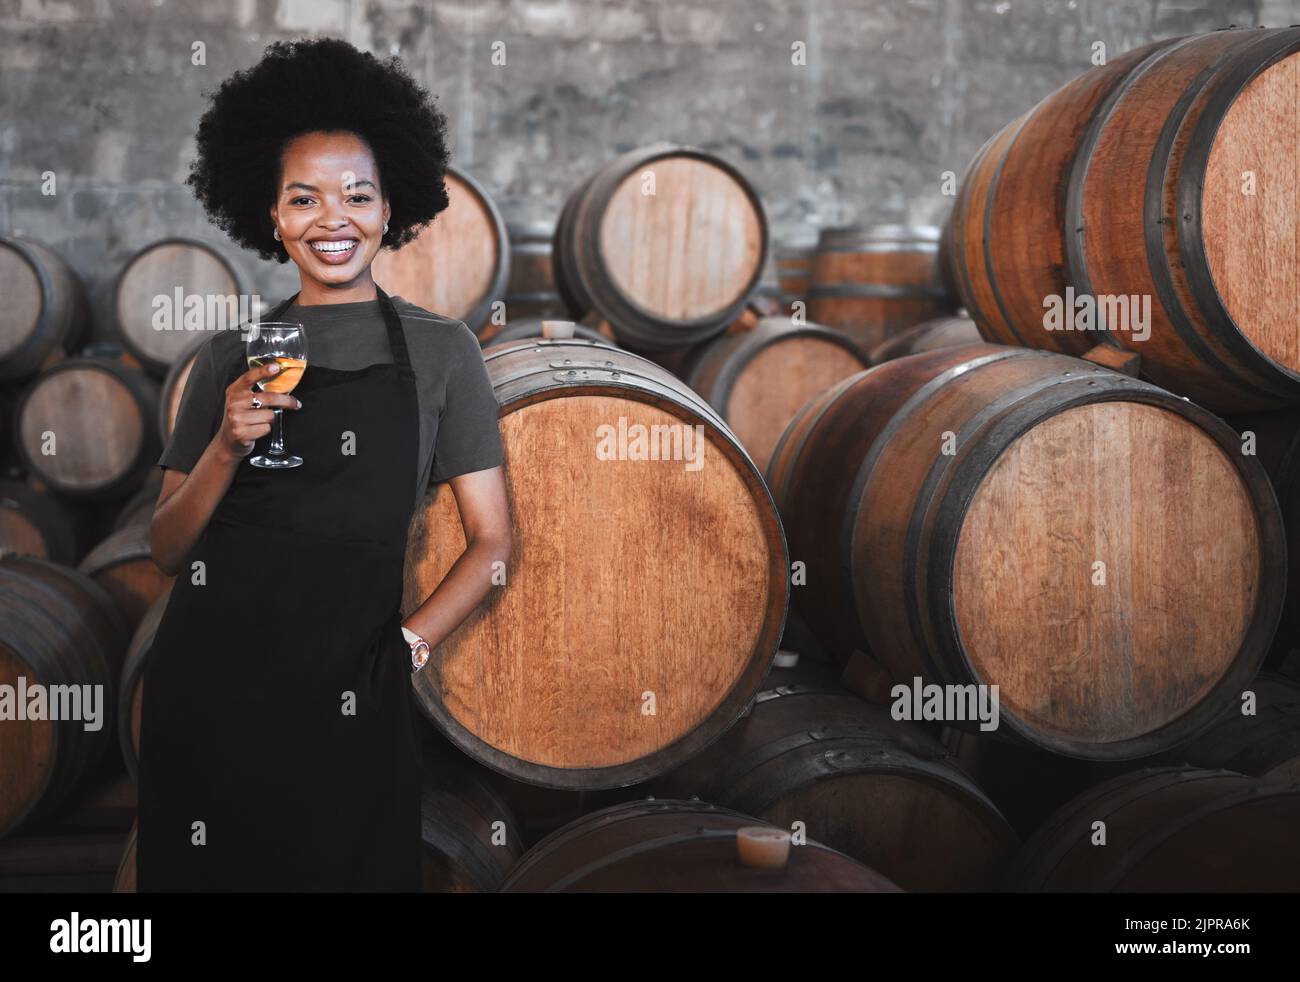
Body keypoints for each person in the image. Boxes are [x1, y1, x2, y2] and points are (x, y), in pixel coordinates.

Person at [137, 37, 512, 891]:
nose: (331, 219)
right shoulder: (229, 354)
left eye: (356, 195)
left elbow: (493, 544)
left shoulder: (443, 351)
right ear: (270, 216)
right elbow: (165, 550)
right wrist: (228, 446)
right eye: (303, 199)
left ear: (391, 209)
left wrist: (408, 651)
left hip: (356, 693)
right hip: (213, 690)